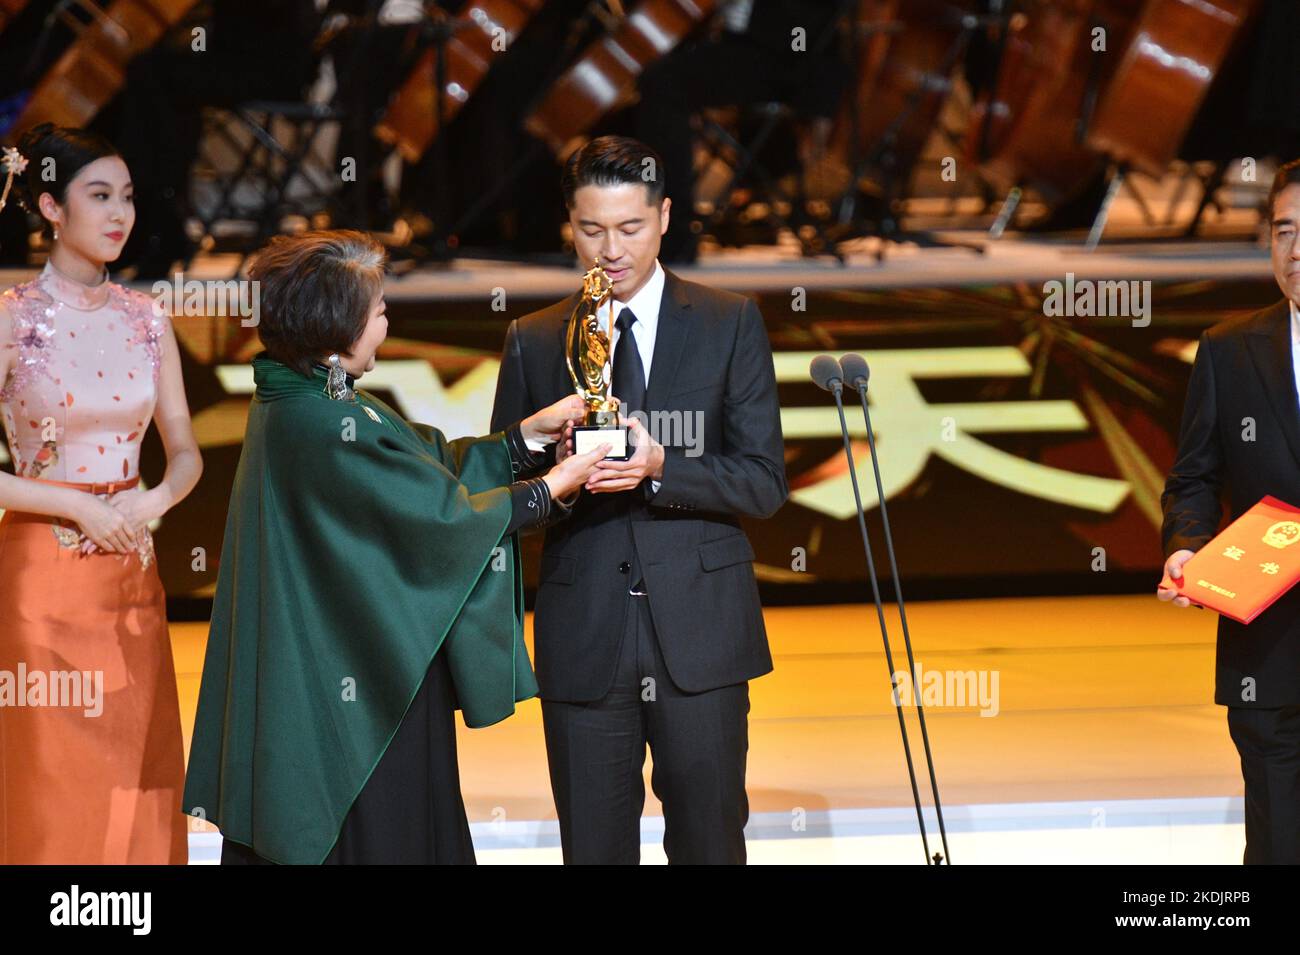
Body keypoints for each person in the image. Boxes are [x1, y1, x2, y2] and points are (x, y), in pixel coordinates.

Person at [183, 229, 608, 864]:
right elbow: (440, 518)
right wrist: (552, 488)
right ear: (336, 327)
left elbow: (425, 467)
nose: (387, 320)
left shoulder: (313, 396)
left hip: (355, 665)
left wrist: (524, 438)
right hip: (360, 692)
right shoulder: (324, 422)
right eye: (378, 310)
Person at [490, 136, 788, 864]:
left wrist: (661, 468)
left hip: (702, 638)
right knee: (592, 850)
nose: (610, 249)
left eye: (629, 228)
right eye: (592, 230)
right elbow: (504, 497)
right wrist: (551, 469)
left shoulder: (729, 322)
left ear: (664, 216)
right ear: (569, 223)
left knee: (710, 844)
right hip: (584, 635)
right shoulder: (534, 340)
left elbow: (762, 481)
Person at [0, 123, 203, 863]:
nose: (120, 213)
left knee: (137, 771)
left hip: (130, 566)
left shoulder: (148, 319)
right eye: (98, 196)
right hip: (39, 575)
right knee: (52, 776)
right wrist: (78, 503)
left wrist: (151, 501)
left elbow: (184, 452)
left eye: (126, 197)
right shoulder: (10, 317)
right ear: (51, 207)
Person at [1159, 158, 1300, 864]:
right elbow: (1192, 478)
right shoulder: (1227, 350)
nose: (1297, 251)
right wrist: (1188, 545)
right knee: (1277, 845)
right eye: (1284, 231)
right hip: (1268, 652)